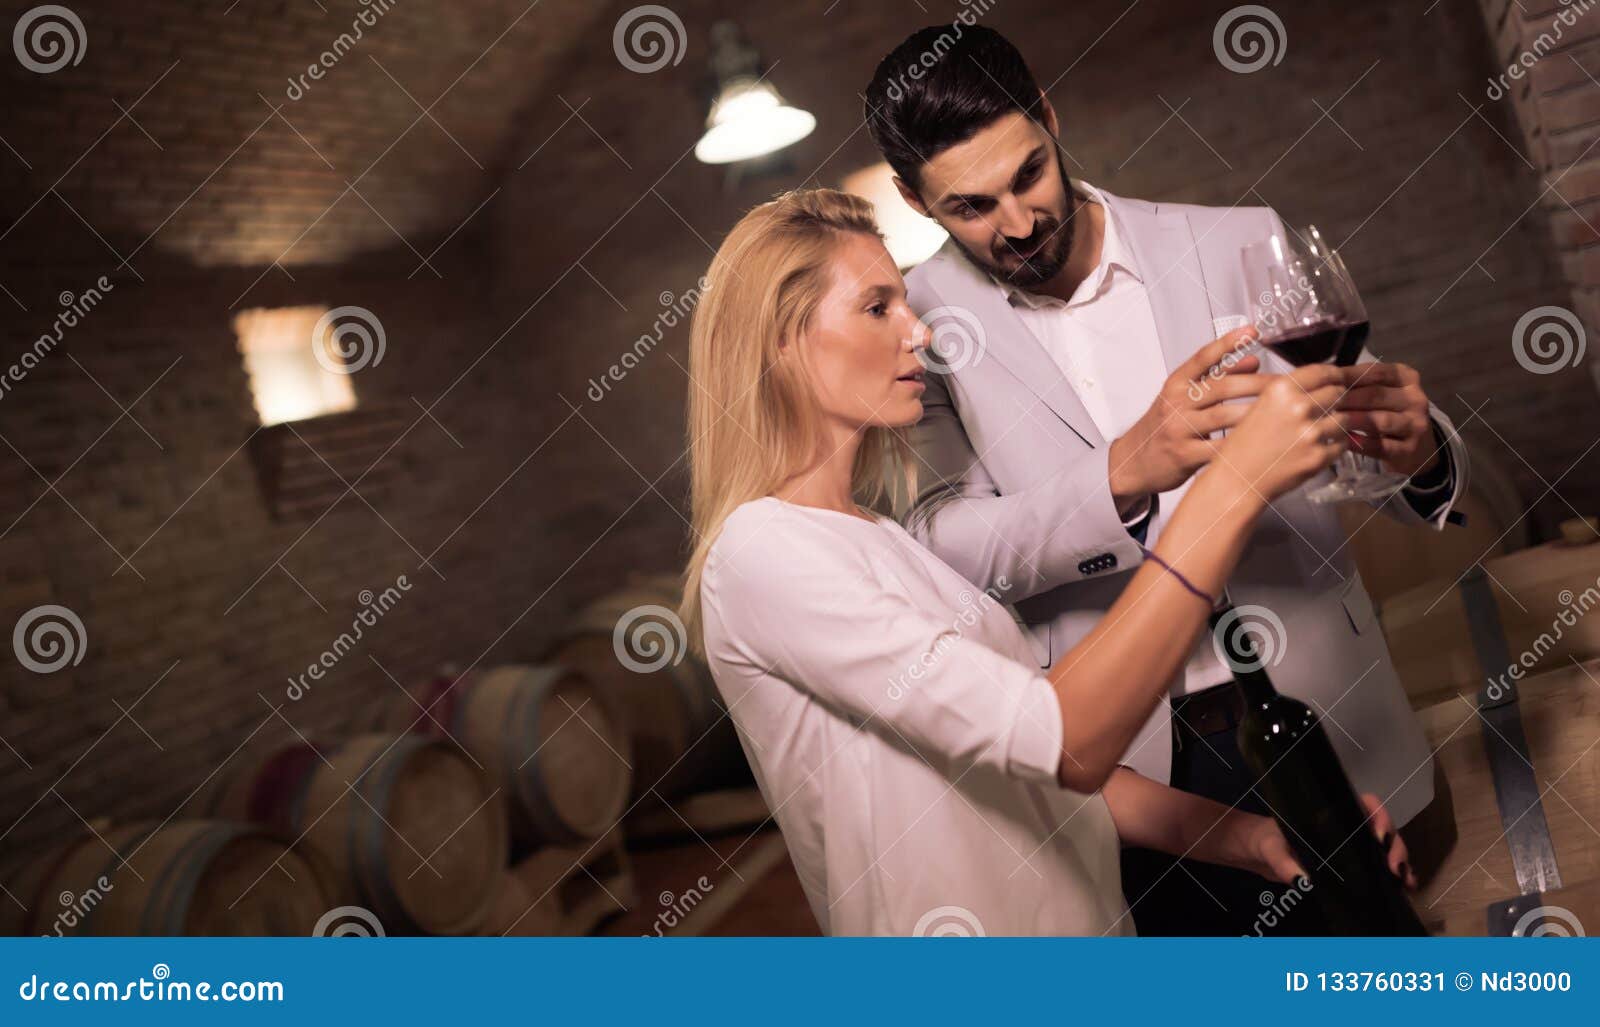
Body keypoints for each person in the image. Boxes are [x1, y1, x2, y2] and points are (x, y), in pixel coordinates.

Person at [862, 25, 1467, 935]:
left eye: (1030, 175)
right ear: (915, 199)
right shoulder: (919, 328)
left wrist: (1418, 448)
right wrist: (1118, 476)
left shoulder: (1233, 240)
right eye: (972, 207)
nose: (1018, 223)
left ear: (1051, 118)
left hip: (1334, 711)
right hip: (1137, 775)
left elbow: (1363, 429)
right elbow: (942, 547)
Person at [679, 188, 1411, 937]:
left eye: (905, 301)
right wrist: (1232, 487)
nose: (920, 331)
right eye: (877, 308)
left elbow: (1032, 767)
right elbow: (1064, 741)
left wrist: (1252, 839)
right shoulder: (764, 555)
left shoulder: (882, 538)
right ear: (783, 342)